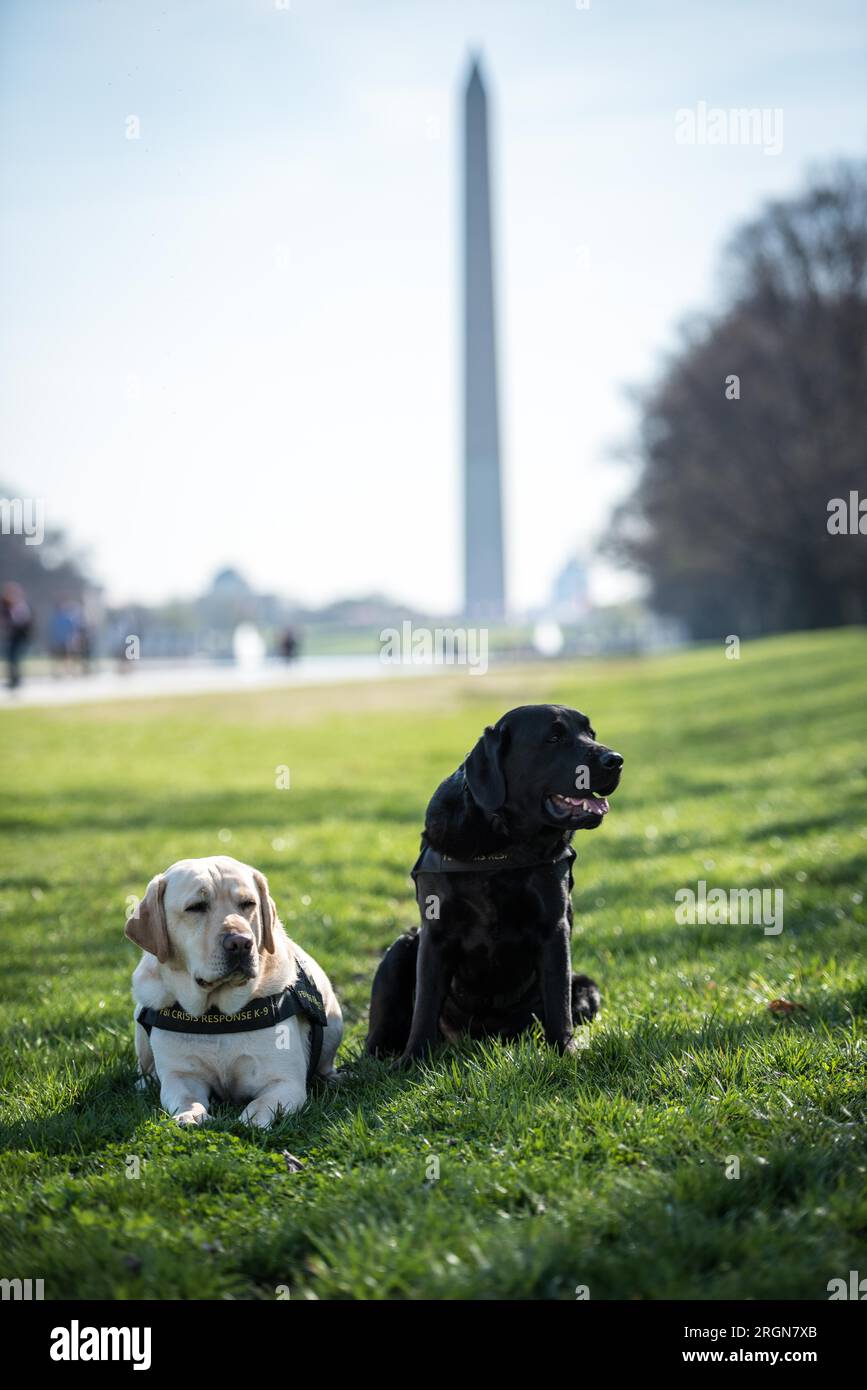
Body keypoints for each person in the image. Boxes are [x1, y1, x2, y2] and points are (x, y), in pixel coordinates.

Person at [1, 582, 33, 690]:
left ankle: (16, 680)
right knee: (11, 657)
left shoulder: (20, 606)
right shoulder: (7, 607)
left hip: (20, 637)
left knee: (14, 657)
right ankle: (13, 679)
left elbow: (21, 621)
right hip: (13, 637)